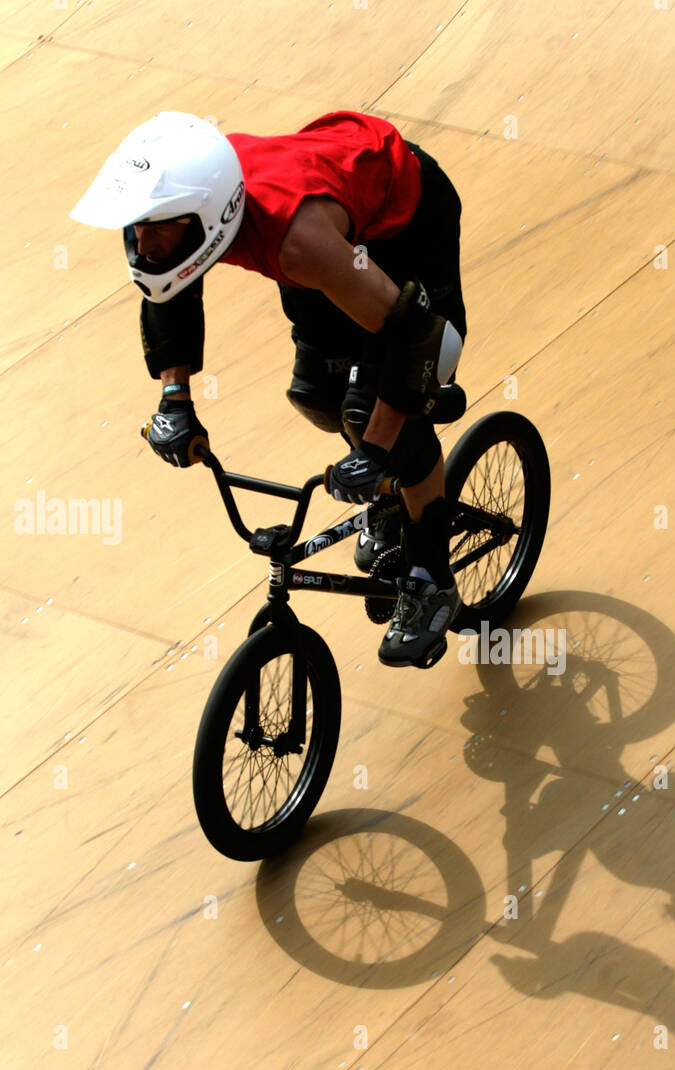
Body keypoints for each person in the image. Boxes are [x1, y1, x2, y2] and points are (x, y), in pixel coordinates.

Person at [70, 109, 467, 667]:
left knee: (378, 416)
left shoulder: (299, 241)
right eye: (136, 225)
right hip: (323, 225)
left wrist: (377, 449)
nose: (144, 240)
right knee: (316, 393)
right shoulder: (197, 201)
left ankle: (432, 578)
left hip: (403, 225)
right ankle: (390, 495)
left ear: (204, 218)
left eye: (156, 225)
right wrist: (173, 400)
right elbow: (167, 292)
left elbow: (420, 342)